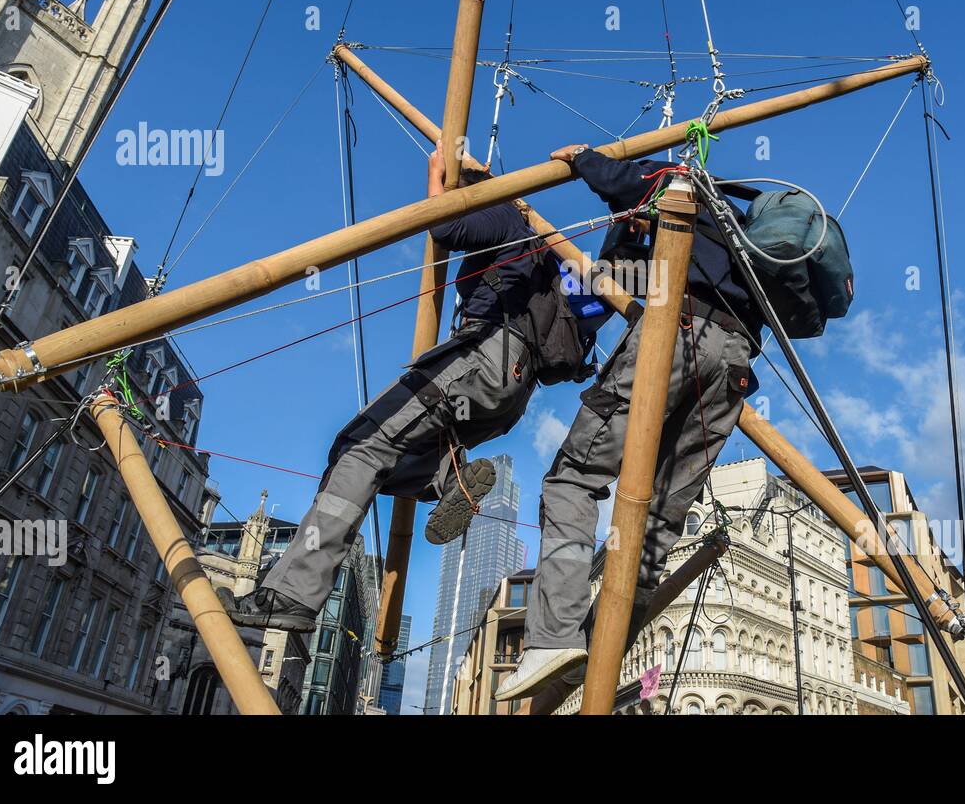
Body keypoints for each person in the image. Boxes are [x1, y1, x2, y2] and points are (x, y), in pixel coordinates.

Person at [223, 141, 558, 634]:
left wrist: (436, 176)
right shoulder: (538, 251)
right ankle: (449, 478)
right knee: (386, 460)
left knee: (360, 446)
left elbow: (444, 224)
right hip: (506, 391)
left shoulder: (502, 216)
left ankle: (292, 593)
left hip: (480, 360)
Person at [495, 143, 763, 700]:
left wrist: (583, 159)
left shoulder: (686, 193)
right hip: (737, 365)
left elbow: (627, 185)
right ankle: (602, 643)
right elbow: (626, 274)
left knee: (573, 478)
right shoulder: (747, 241)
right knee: (660, 520)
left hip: (677, 330)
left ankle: (552, 640)